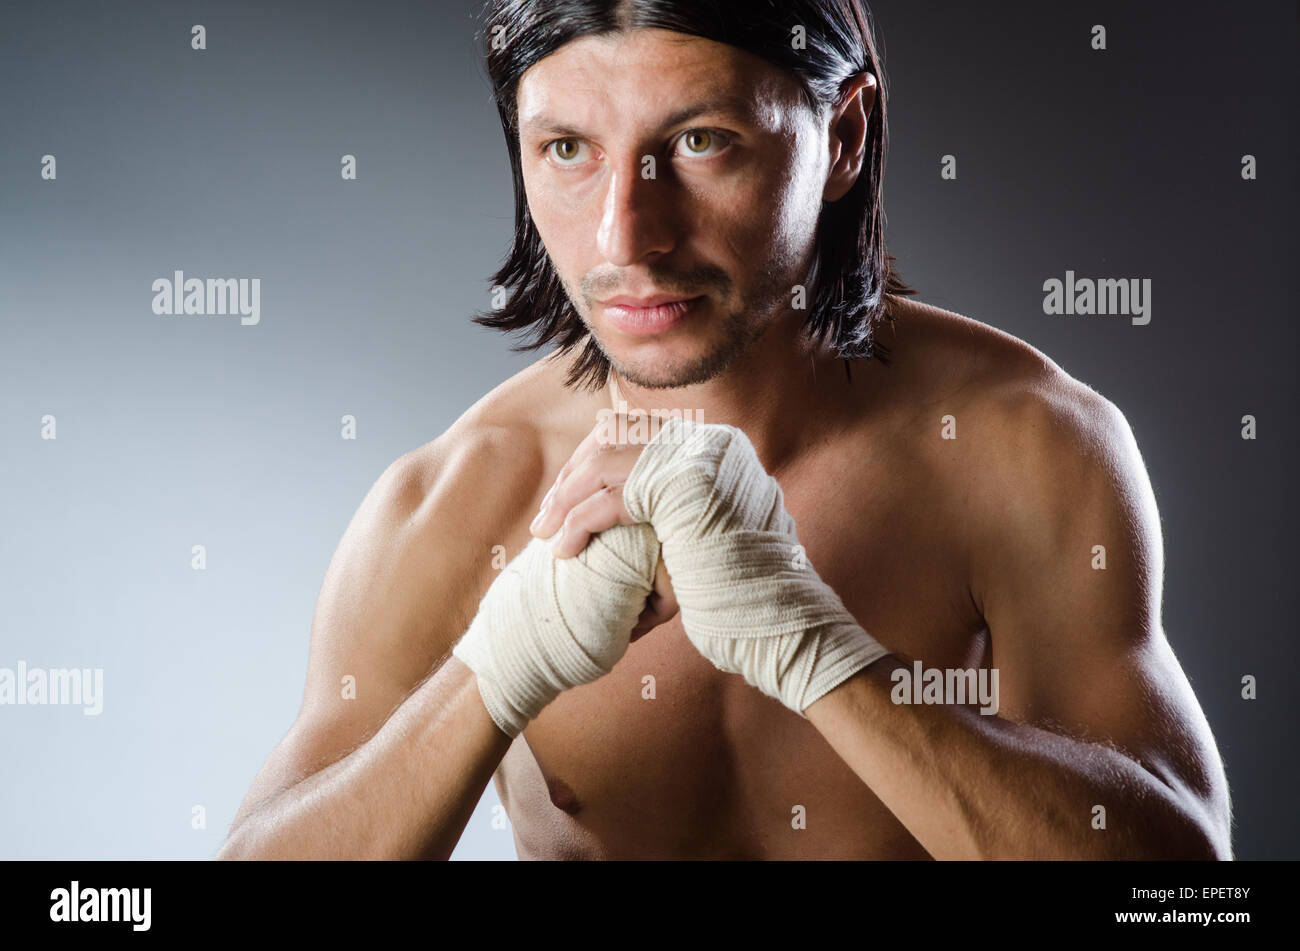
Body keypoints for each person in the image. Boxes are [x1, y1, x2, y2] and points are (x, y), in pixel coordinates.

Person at [217, 0, 1231, 860]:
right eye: (567, 149)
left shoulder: (1023, 449)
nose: (628, 238)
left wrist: (820, 655)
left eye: (700, 142)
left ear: (843, 139)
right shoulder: (464, 496)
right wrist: (497, 671)